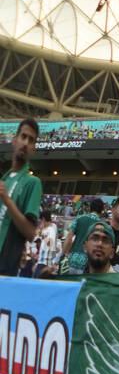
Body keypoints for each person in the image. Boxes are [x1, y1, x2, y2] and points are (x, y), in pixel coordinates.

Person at [0, 118, 43, 277]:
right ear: (14, 140)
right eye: (23, 137)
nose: (25, 143)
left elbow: (31, 233)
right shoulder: (4, 180)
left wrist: (7, 200)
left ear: (34, 149)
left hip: (5, 268)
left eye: (31, 140)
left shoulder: (33, 183)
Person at [61, 196, 105, 275]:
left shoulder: (79, 218)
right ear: (102, 210)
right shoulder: (101, 225)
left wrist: (62, 255)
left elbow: (69, 239)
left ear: (90, 208)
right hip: (88, 264)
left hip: (72, 260)